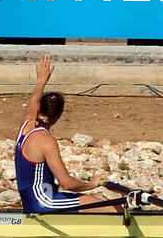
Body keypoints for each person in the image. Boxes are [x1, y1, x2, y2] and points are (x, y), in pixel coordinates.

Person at [14, 55, 112, 213]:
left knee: (93, 204)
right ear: (59, 116)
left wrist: (41, 81)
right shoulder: (46, 141)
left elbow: (33, 99)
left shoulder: (26, 124)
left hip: (32, 202)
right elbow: (67, 183)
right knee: (112, 209)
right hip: (45, 202)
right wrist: (92, 184)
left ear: (39, 108)